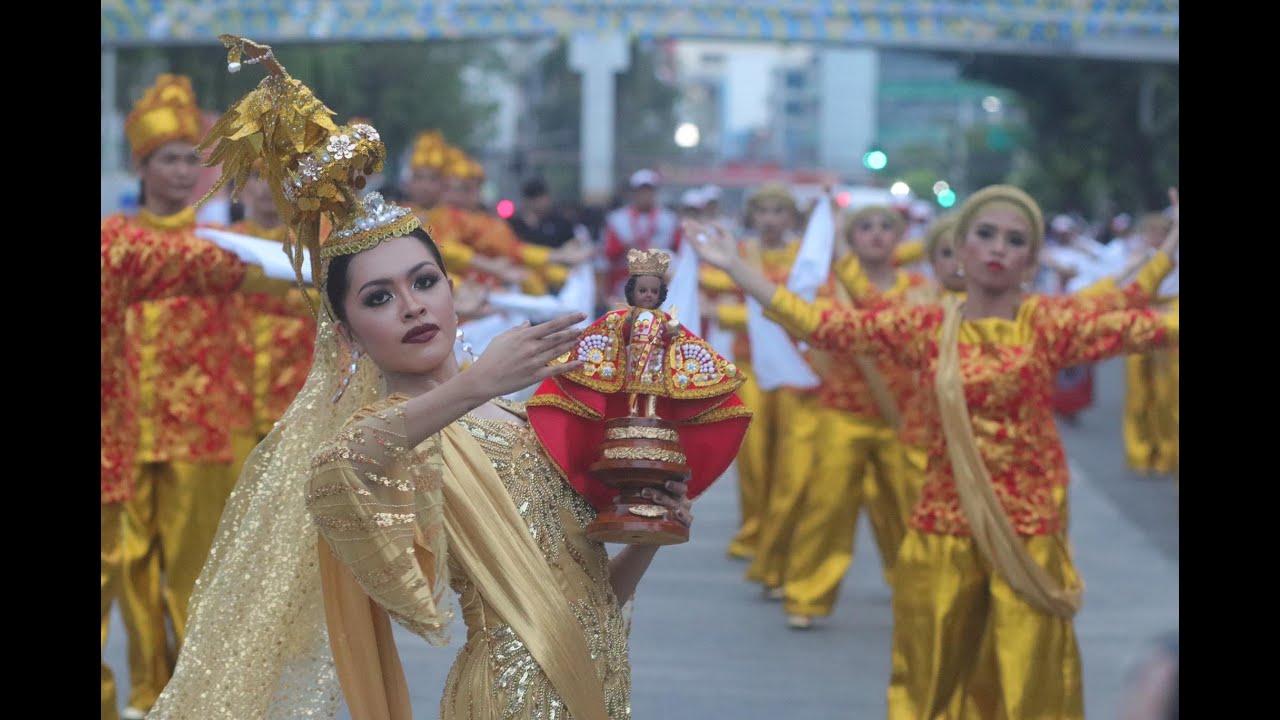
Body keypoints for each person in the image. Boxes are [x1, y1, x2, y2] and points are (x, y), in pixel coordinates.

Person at [145, 36, 690, 720]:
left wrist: (646, 534)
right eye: (378, 298)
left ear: (452, 292)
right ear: (347, 334)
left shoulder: (521, 419)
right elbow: (333, 476)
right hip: (505, 698)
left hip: (595, 686)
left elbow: (585, 599)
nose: (410, 306)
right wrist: (477, 384)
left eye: (424, 281)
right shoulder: (387, 440)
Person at [688, 184, 1178, 719]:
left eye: (1015, 240)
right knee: (927, 680)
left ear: (1031, 260)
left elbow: (1145, 322)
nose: (998, 247)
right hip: (944, 520)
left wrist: (1171, 245)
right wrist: (736, 267)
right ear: (961, 248)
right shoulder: (925, 323)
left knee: (1030, 681)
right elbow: (821, 325)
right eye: (985, 234)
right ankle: (807, 594)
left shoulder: (1048, 323)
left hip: (1027, 528)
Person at [101, 73, 264, 720]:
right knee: (131, 569)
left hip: (202, 425)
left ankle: (196, 697)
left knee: (195, 573)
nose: (179, 172)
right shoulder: (116, 241)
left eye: (189, 160)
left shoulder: (222, 247)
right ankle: (147, 693)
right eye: (167, 159)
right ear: (142, 166)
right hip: (125, 428)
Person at [599, 169, 682, 307]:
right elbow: (608, 254)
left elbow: (678, 252)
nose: (645, 195)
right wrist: (625, 247)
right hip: (625, 283)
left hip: (661, 285)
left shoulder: (669, 219)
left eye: (649, 191)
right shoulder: (617, 219)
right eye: (641, 191)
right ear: (633, 193)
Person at [509, 177, 576, 249]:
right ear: (527, 201)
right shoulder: (516, 225)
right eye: (536, 199)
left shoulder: (560, 223)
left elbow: (571, 244)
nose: (542, 202)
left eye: (544, 197)